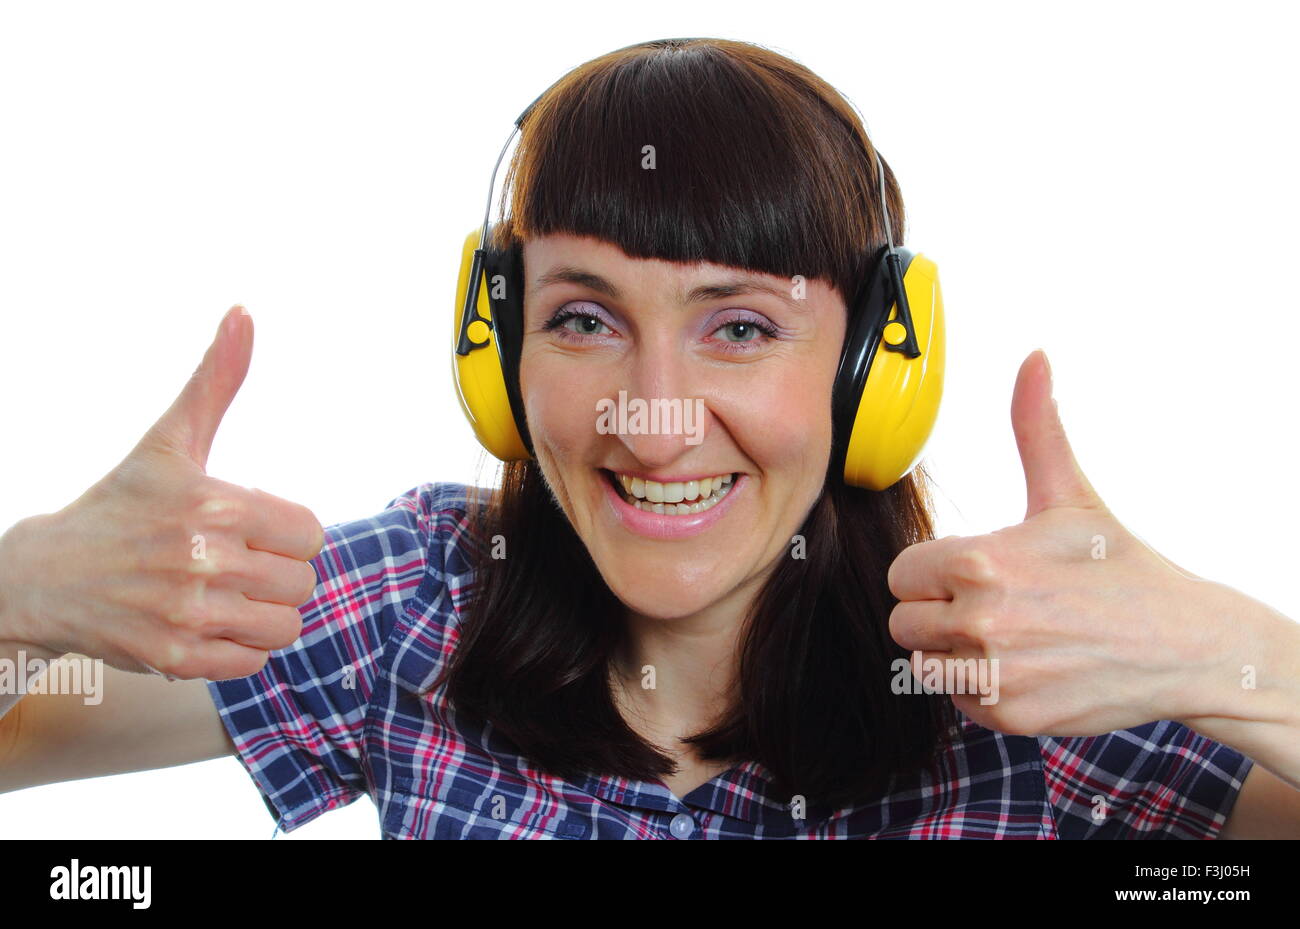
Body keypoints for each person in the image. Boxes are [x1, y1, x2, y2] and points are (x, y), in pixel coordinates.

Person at [2, 37, 1298, 839]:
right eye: (583, 318)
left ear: (872, 371)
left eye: (739, 326)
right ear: (499, 358)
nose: (653, 410)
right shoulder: (415, 602)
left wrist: (1238, 657)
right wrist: (24, 600)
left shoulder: (1019, 679)